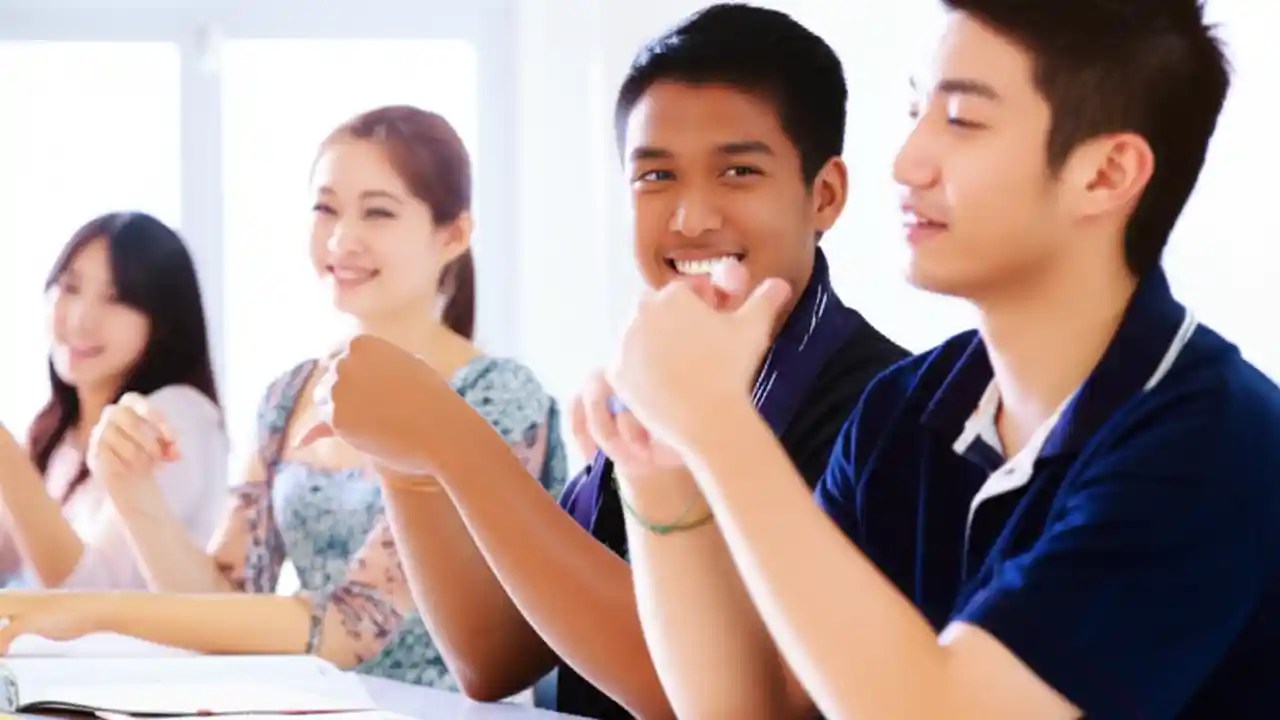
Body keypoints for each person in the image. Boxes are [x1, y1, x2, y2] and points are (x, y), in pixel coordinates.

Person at [593, 0, 1280, 718]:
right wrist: (659, 467)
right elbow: (751, 710)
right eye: (916, 111)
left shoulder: (1216, 446)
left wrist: (720, 427)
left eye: (961, 120)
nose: (905, 163)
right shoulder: (900, 412)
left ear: (1106, 174)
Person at [297, 5, 907, 718]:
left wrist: (452, 436)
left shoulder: (886, 410)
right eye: (656, 176)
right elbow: (496, 655)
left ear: (824, 195)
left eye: (738, 172)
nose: (690, 218)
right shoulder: (649, 384)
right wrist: (407, 460)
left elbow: (710, 694)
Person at [0, 106, 566, 689]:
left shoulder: (497, 397)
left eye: (378, 212)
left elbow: (354, 625)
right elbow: (224, 608)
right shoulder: (288, 396)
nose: (342, 238)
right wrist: (134, 492)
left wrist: (87, 613)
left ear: (453, 236)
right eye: (326, 209)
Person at [0, 212, 226, 591]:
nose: (81, 319)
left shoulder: (173, 418)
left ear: (163, 320)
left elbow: (91, 596)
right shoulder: (58, 434)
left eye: (115, 298)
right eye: (70, 287)